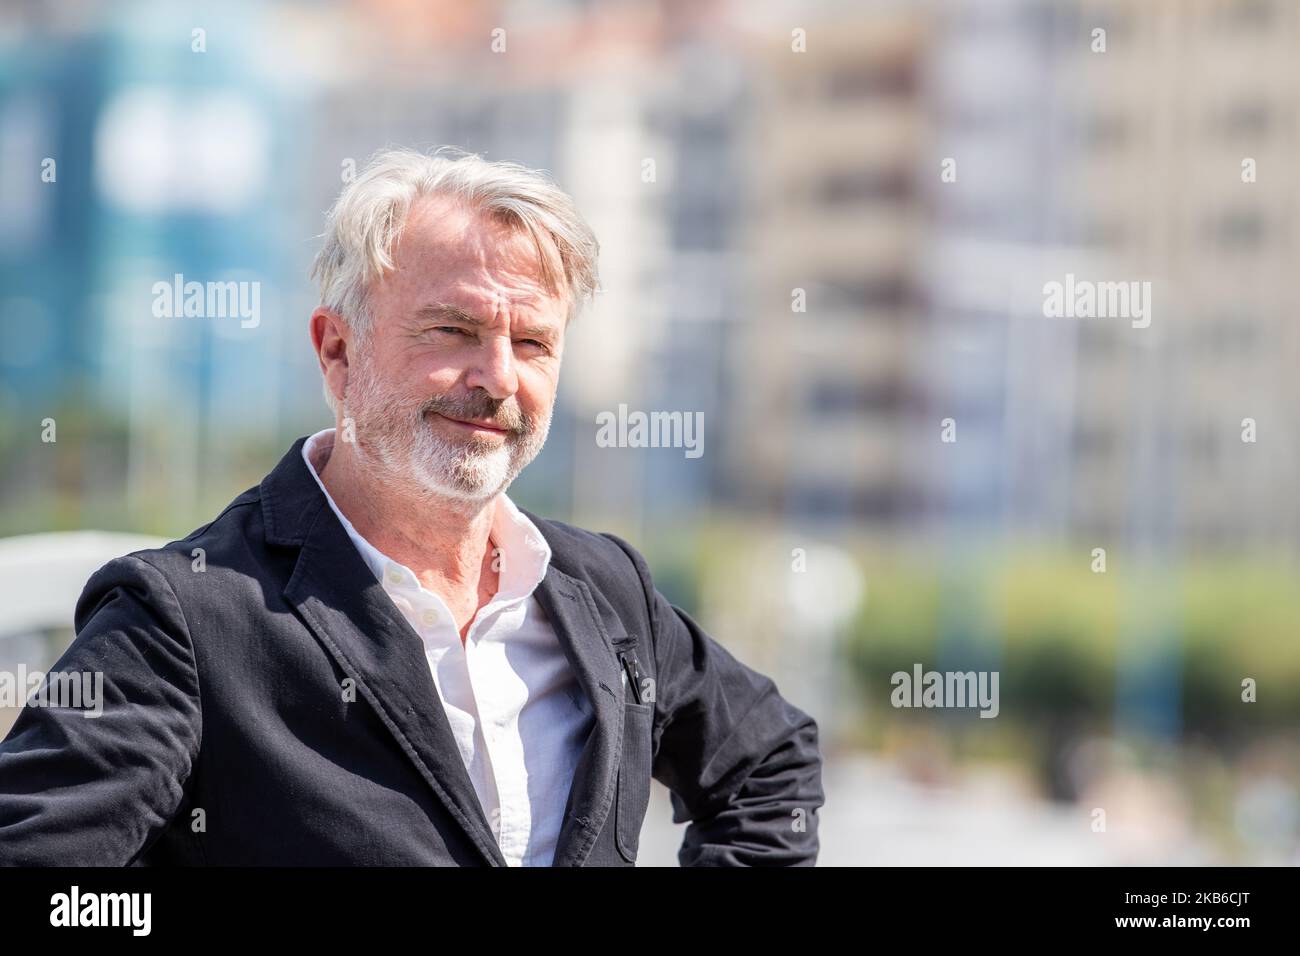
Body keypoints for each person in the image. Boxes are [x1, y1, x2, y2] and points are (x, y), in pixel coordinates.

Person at [0, 147, 824, 866]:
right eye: (452, 330)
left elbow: (771, 763)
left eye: (532, 343)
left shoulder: (608, 592)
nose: (498, 377)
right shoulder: (183, 618)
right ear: (338, 351)